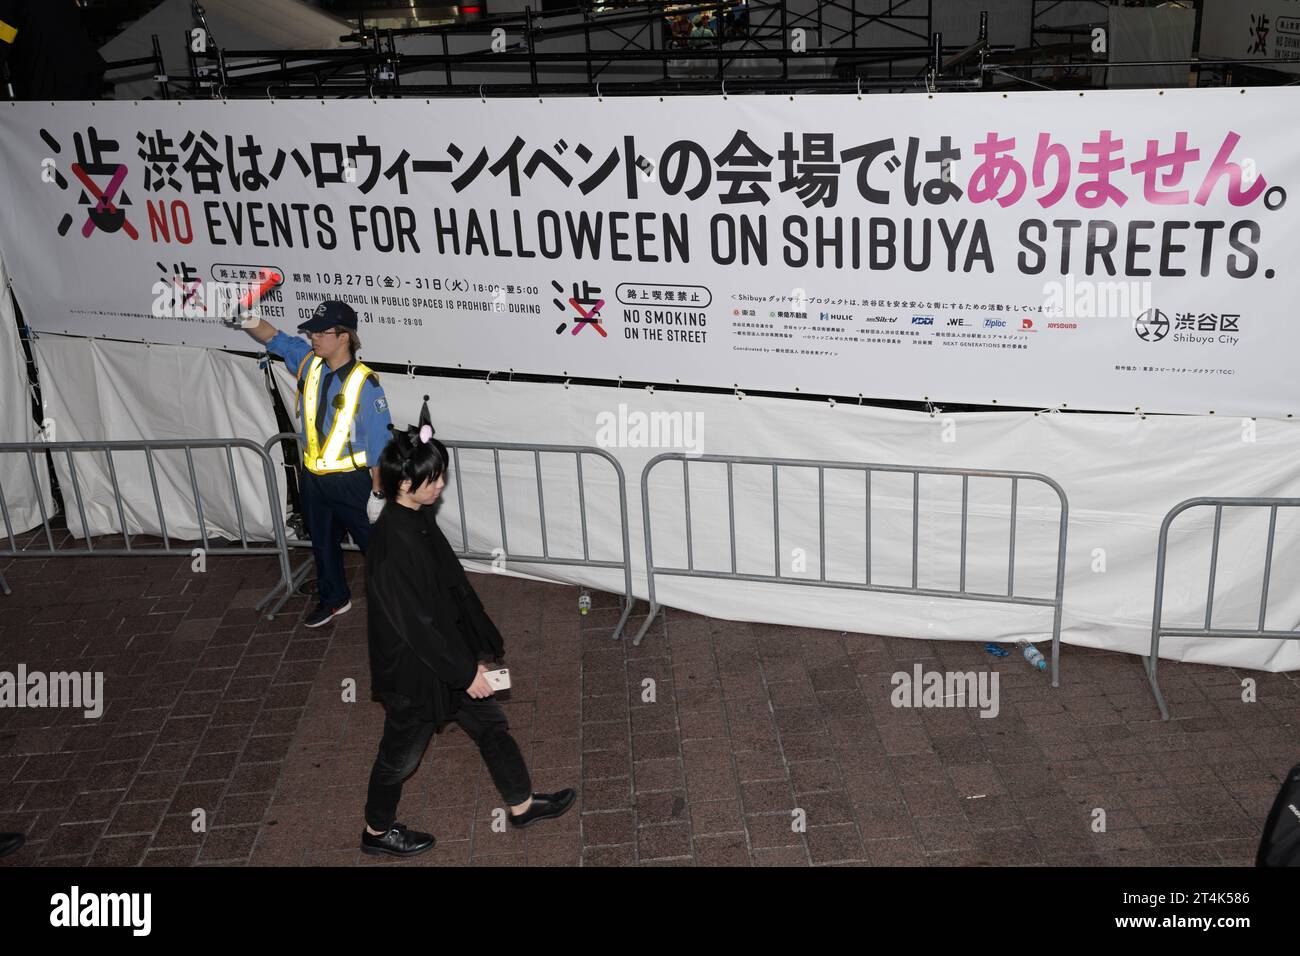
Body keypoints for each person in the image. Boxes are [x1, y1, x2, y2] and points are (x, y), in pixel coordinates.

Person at [360, 398, 575, 857]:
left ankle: (522, 805)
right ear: (404, 483)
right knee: (401, 756)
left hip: (447, 662)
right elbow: (415, 626)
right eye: (432, 477)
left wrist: (476, 643)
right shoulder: (394, 542)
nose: (440, 484)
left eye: (440, 474)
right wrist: (465, 672)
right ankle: (377, 832)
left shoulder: (414, 518)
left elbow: (448, 590)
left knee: (492, 726)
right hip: (416, 677)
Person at [236, 300, 393, 627]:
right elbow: (271, 336)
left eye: (322, 332)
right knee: (322, 544)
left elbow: (380, 443)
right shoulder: (309, 364)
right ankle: (335, 600)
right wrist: (239, 314)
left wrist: (377, 494)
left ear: (345, 337)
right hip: (314, 479)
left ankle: (403, 605)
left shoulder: (365, 383)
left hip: (352, 482)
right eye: (312, 331)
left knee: (378, 551)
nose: (313, 337)